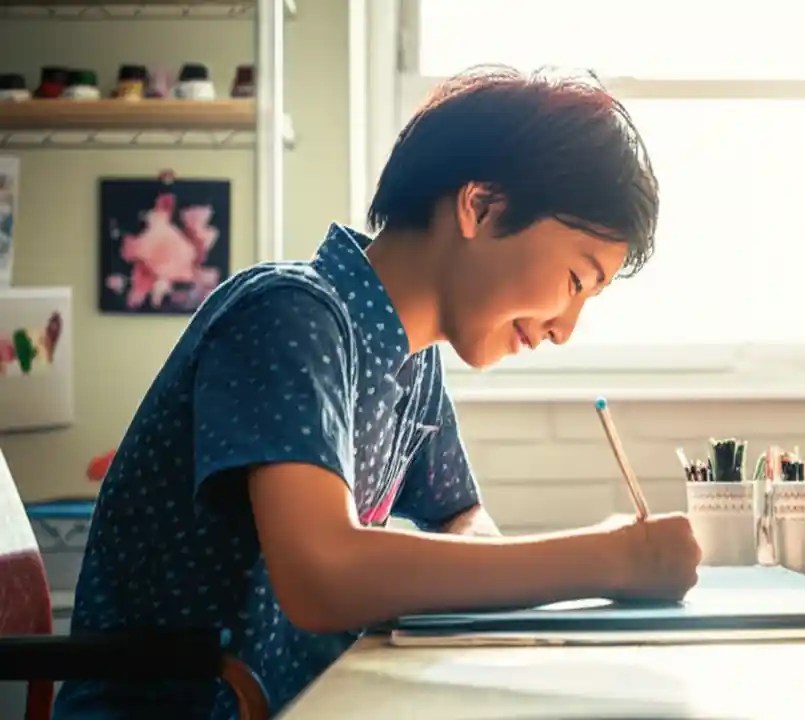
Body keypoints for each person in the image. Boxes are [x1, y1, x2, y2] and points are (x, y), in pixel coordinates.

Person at [53, 66, 701, 719]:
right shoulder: (287, 315)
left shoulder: (414, 362)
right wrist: (608, 560)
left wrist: (518, 559)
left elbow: (462, 517)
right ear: (481, 207)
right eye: (575, 281)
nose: (566, 328)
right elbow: (322, 572)